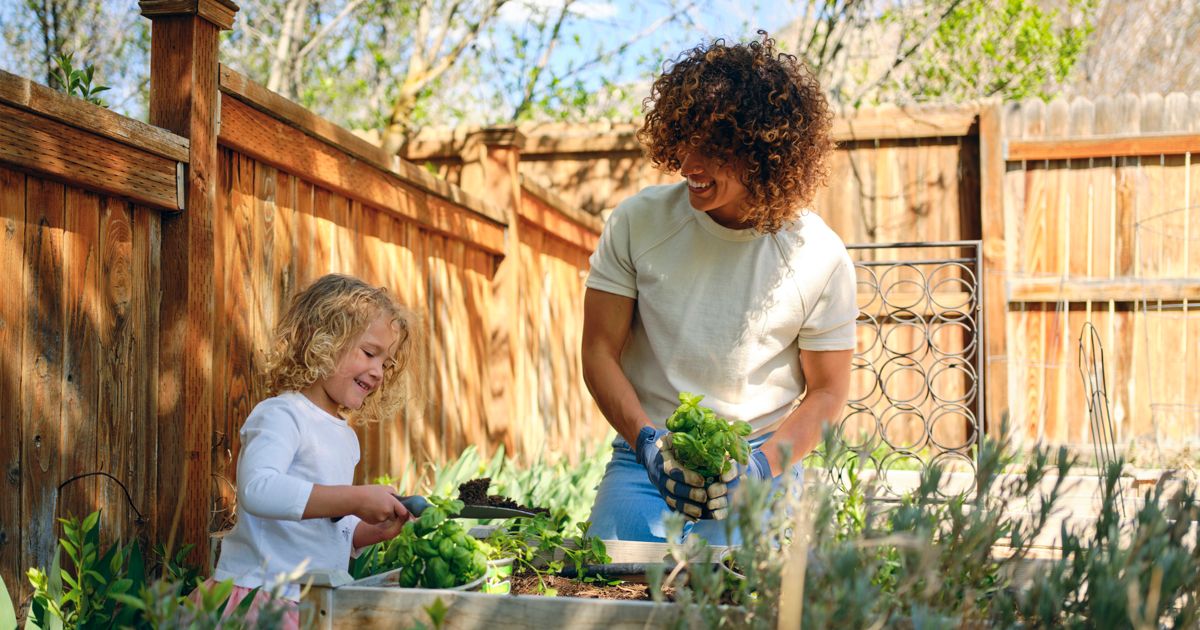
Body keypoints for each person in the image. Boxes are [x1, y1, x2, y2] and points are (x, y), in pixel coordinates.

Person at [582, 33, 857, 543]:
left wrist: (758, 469)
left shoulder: (818, 255)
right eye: (685, 140)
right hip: (645, 460)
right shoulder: (638, 222)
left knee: (746, 602)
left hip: (761, 464)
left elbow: (828, 390)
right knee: (609, 588)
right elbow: (599, 350)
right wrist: (647, 443)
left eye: (714, 148)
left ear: (764, 151)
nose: (690, 164)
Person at [206, 273, 418, 627]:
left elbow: (329, 527)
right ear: (323, 341)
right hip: (262, 598)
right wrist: (354, 499)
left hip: (311, 603)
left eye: (386, 362)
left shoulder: (345, 437)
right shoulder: (282, 414)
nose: (379, 371)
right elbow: (258, 490)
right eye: (369, 353)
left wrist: (371, 531)